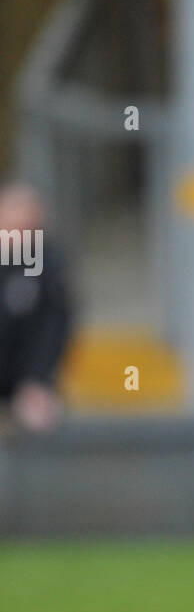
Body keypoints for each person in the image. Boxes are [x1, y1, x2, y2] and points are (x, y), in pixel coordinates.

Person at [0, 182, 72, 432]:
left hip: (27, 381)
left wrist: (37, 380)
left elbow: (53, 329)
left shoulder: (47, 266)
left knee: (38, 418)